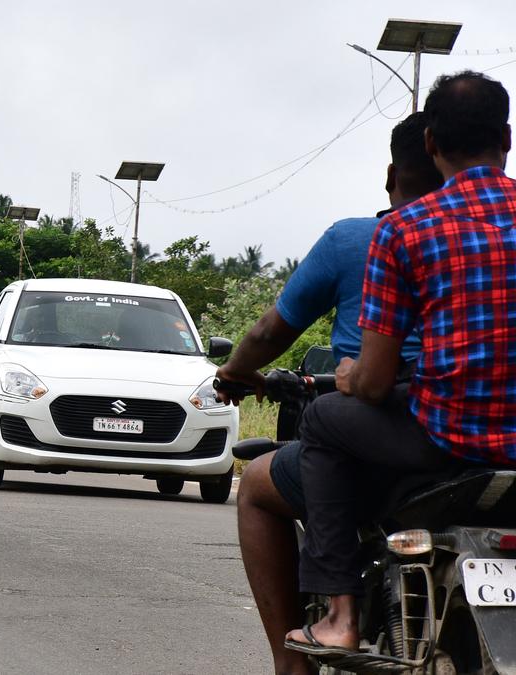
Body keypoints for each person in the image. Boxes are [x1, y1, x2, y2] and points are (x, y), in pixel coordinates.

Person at [279, 70, 516, 661]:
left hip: (449, 441)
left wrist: (347, 376)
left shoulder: (406, 229)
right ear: (506, 139)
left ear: (431, 143)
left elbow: (376, 379)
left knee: (324, 421)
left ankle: (338, 615)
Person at [216, 112, 445, 675]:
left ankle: (297, 658)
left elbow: (270, 332)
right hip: (486, 435)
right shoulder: (495, 233)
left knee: (259, 486)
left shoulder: (366, 238)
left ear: (393, 172)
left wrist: (234, 374)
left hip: (398, 435)